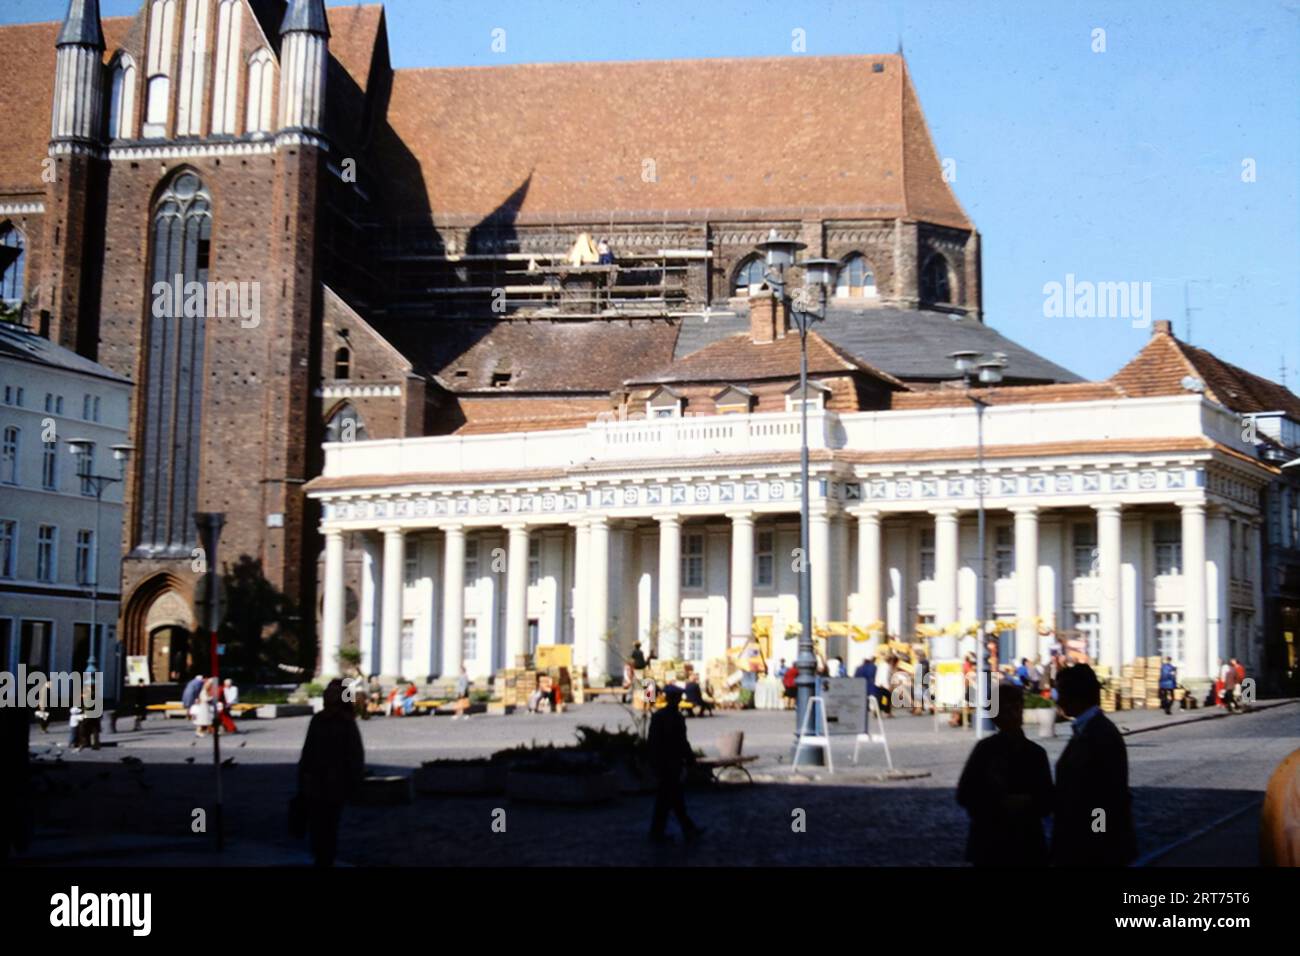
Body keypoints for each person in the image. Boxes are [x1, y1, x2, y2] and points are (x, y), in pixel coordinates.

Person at [956, 681, 1054, 866]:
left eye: (1017, 708)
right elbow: (965, 793)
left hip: (1025, 844)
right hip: (992, 842)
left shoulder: (1035, 753)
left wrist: (1027, 801)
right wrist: (997, 802)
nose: (1014, 714)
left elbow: (1047, 800)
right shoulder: (984, 750)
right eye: (1007, 709)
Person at [1051, 664, 1137, 866]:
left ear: (1076, 696)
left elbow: (1104, 799)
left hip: (1092, 850)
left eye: (1062, 693)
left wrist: (1097, 839)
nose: (1058, 700)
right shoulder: (1086, 729)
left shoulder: (1100, 733)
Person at [296, 679, 365, 867]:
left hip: (336, 782)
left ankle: (326, 859)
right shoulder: (318, 719)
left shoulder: (346, 722)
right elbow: (308, 750)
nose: (328, 695)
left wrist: (354, 781)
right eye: (327, 692)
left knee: (329, 824)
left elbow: (355, 753)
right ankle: (320, 857)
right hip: (315, 781)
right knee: (316, 824)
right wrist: (302, 775)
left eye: (333, 693)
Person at [647, 685, 702, 845]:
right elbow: (680, 741)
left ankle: (685, 828)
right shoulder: (674, 717)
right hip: (669, 763)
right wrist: (690, 759)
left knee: (670, 798)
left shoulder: (661, 716)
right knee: (669, 799)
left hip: (666, 762)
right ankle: (673, 830)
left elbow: (653, 742)